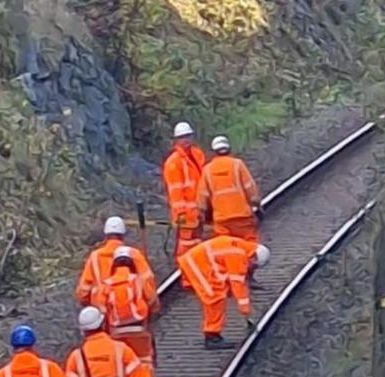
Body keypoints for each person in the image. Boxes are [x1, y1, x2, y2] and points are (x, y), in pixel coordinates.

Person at [178, 235, 270, 349]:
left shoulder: (241, 247)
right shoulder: (238, 255)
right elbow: (238, 283)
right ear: (254, 257)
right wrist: (244, 308)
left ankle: (212, 334)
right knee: (215, 298)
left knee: (218, 294)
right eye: (253, 265)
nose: (250, 268)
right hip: (197, 264)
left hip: (200, 262)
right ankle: (212, 337)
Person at [98, 246, 159, 370]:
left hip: (116, 330)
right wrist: (152, 313)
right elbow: (152, 300)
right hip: (139, 326)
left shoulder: (106, 285)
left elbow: (101, 309)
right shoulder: (138, 280)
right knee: (144, 362)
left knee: (121, 365)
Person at [75, 216, 156, 308]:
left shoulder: (95, 256)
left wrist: (85, 303)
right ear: (122, 235)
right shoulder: (134, 253)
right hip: (131, 307)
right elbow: (147, 281)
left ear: (106, 236)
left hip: (104, 307)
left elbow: (84, 288)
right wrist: (152, 305)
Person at [161, 121, 207, 287]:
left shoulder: (197, 154)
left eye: (188, 136)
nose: (186, 140)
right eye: (182, 138)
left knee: (198, 243)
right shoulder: (173, 163)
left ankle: (199, 274)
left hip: (199, 210)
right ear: (176, 140)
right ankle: (188, 279)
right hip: (185, 215)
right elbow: (176, 194)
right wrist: (181, 217)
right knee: (186, 246)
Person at [198, 135, 262, 244]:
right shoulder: (238, 164)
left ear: (214, 151)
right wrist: (257, 206)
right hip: (242, 217)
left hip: (221, 220)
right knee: (250, 246)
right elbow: (251, 190)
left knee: (226, 247)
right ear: (229, 149)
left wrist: (202, 217)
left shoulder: (207, 170)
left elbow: (202, 199)